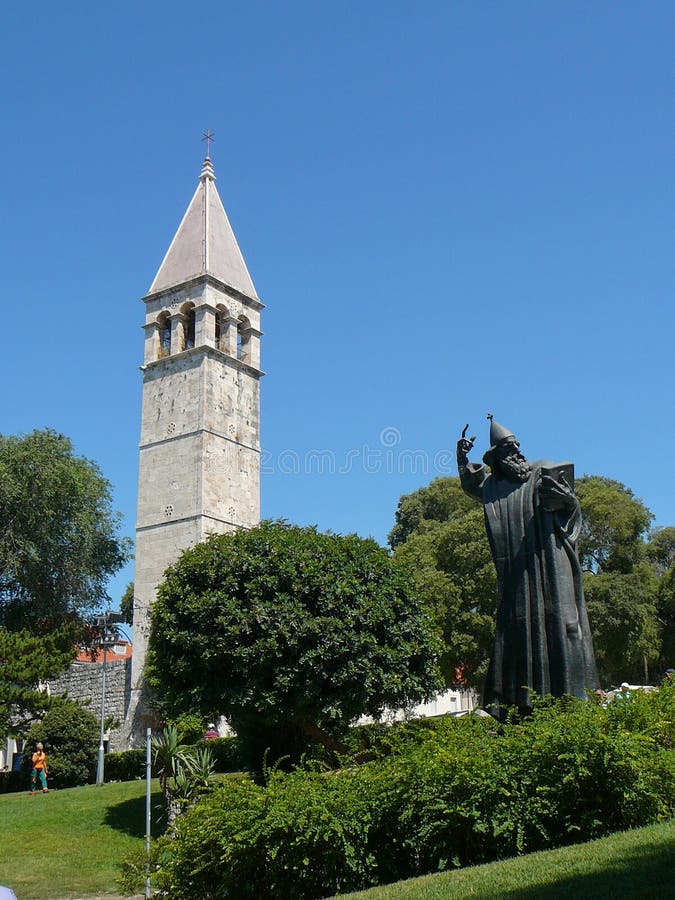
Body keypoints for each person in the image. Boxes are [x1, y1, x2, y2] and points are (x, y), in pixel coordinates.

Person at [457, 416, 599, 720]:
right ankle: (519, 706)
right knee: (518, 630)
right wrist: (461, 458)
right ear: (496, 459)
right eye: (509, 449)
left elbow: (571, 507)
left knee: (563, 625)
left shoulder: (541, 471)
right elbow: (473, 486)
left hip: (549, 565)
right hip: (518, 577)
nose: (518, 453)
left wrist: (568, 502)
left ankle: (572, 702)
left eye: (518, 447)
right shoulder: (495, 488)